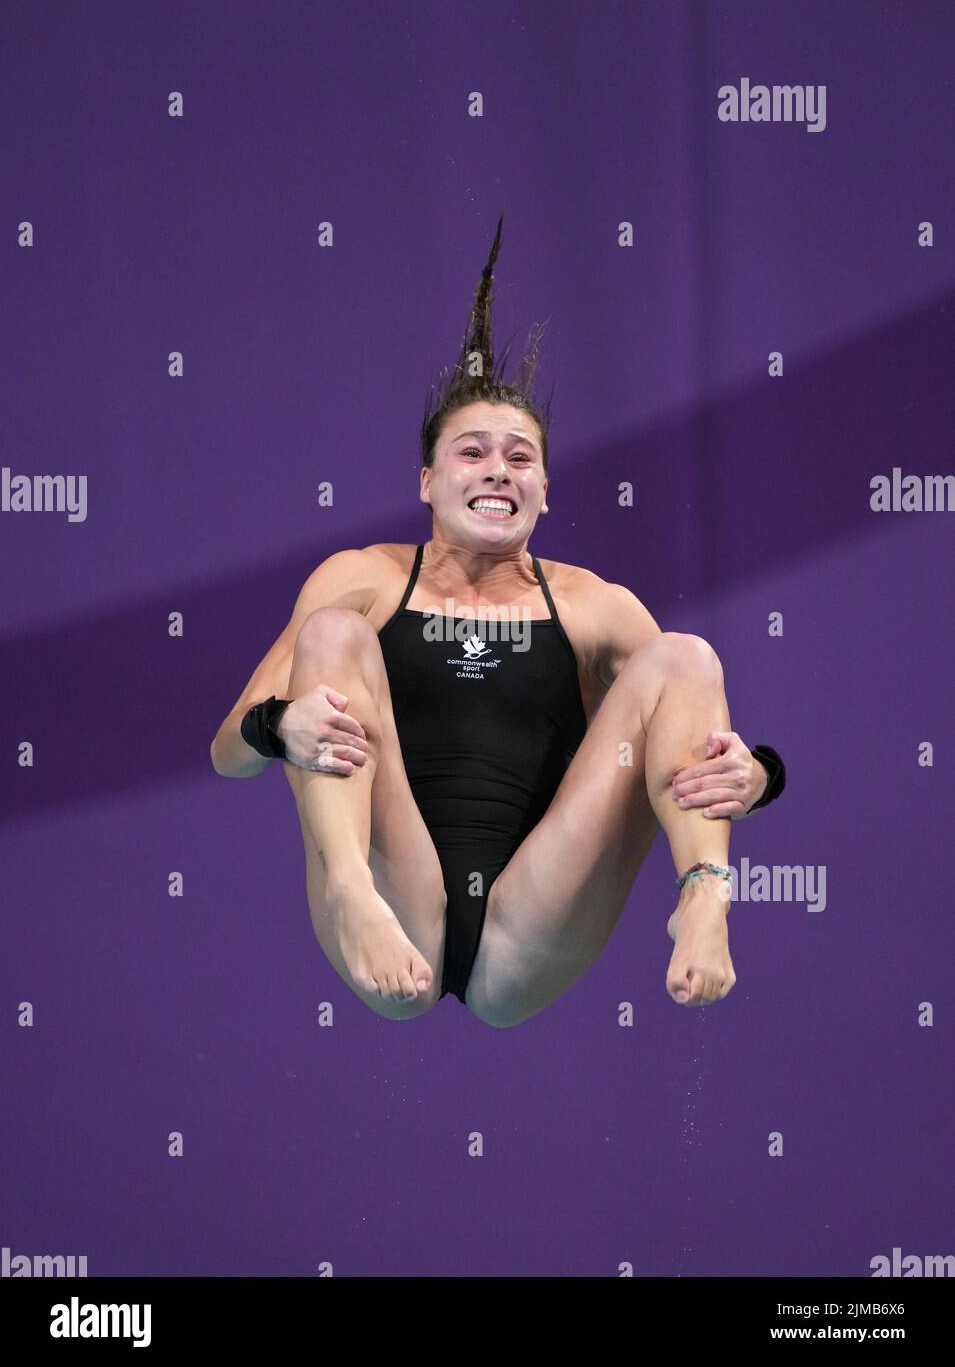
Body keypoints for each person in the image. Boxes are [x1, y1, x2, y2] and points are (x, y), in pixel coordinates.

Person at [210, 216, 786, 1027]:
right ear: (426, 481)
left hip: (532, 918)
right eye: (471, 452)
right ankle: (346, 886)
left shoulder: (595, 606)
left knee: (683, 659)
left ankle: (704, 897)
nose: (496, 471)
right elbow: (229, 753)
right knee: (332, 635)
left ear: (546, 488)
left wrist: (758, 777)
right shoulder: (364, 579)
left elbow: (696, 743)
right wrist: (282, 727)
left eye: (519, 457)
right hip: (387, 888)